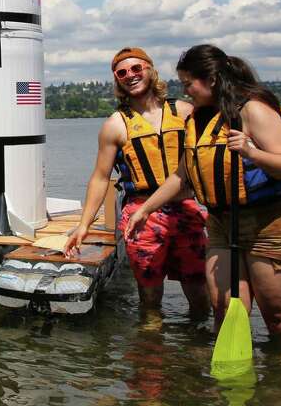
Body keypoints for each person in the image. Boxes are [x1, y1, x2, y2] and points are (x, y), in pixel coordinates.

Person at [125, 44, 281, 341]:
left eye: (189, 83)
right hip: (221, 224)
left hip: (273, 224)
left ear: (211, 79)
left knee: (280, 323)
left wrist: (251, 151)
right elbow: (182, 175)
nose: (186, 91)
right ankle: (229, 384)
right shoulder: (196, 120)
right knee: (224, 310)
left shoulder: (254, 108)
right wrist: (144, 209)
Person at [65, 48, 209, 317]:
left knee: (198, 289)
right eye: (122, 72)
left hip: (186, 209)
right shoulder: (116, 125)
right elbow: (100, 177)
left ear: (150, 70)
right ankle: (151, 349)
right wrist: (83, 226)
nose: (130, 76)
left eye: (136, 69)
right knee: (150, 295)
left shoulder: (185, 112)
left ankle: (197, 346)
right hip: (142, 215)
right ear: (117, 80)